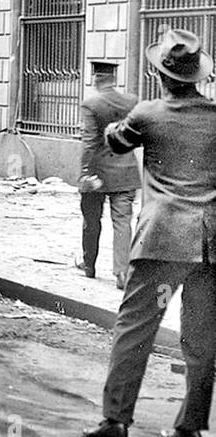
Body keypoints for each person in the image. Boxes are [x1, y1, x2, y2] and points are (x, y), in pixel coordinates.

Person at [83, 29, 216, 437]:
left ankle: (115, 421)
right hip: (211, 242)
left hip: (162, 240)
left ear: (158, 74)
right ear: (197, 76)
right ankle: (189, 427)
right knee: (203, 337)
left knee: (136, 328)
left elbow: (116, 142)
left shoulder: (148, 113)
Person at [77, 60, 141, 289]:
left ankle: (89, 265)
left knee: (91, 220)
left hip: (97, 174)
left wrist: (85, 173)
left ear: (96, 78)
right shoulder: (131, 101)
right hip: (126, 173)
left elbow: (89, 143)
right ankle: (122, 273)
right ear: (113, 78)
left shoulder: (91, 104)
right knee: (123, 223)